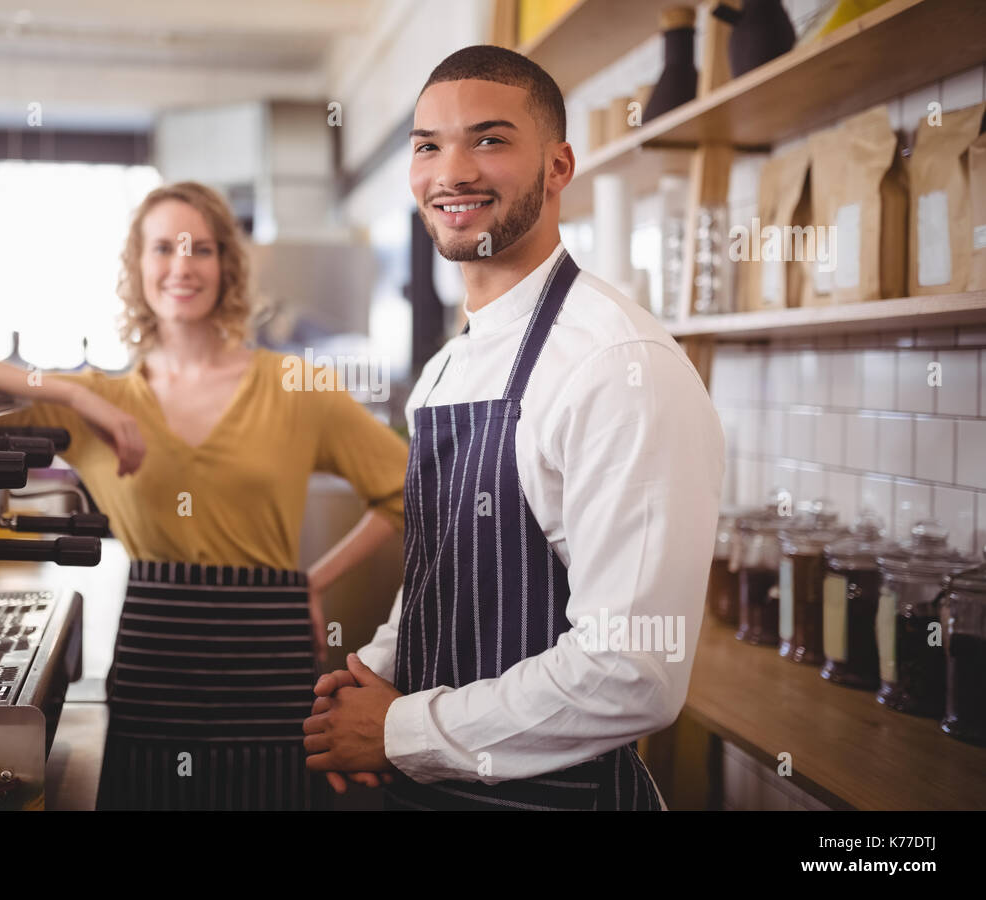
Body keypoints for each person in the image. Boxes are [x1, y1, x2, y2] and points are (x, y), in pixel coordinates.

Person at [302, 45, 725, 810]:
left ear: (558, 166)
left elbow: (635, 673)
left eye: (489, 140)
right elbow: (442, 574)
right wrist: (371, 678)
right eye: (428, 145)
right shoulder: (443, 371)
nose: (451, 171)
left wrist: (398, 730)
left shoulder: (620, 365)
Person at [0, 181, 408, 810]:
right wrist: (74, 394)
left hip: (268, 665)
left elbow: (409, 491)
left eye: (201, 249)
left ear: (227, 266)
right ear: (137, 268)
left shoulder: (295, 385)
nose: (183, 266)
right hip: (155, 665)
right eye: (163, 248)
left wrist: (315, 580)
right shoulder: (101, 405)